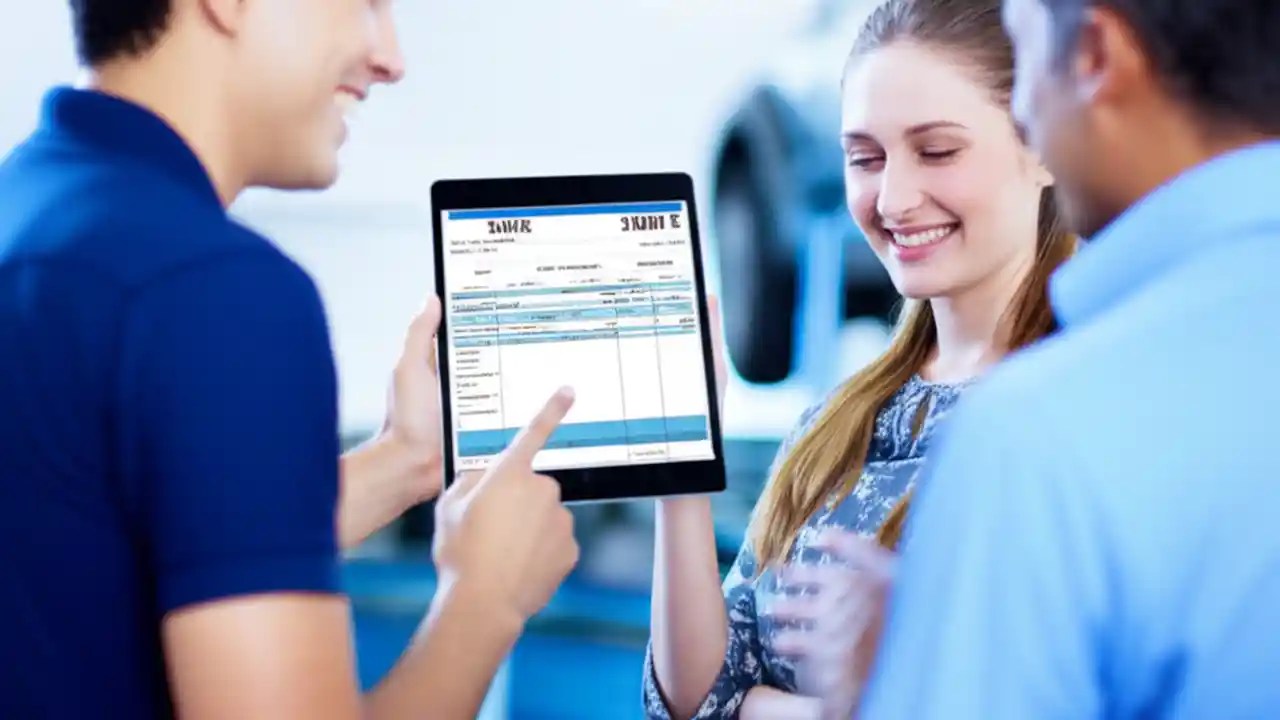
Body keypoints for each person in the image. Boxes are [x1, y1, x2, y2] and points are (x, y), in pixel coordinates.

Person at [0, 1, 580, 718]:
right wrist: (487, 598)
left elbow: (107, 552)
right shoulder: (212, 288)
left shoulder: (29, 206)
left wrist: (405, 460)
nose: (390, 58)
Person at [642, 0, 1077, 716]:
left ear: (1040, 143)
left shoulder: (1074, 414)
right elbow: (698, 699)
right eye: (865, 159)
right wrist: (681, 468)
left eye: (937, 151)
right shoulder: (840, 423)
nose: (895, 198)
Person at [852, 0, 1280, 717]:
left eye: (1022, 60)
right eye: (865, 156)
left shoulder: (1039, 435)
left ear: (1093, 56)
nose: (1025, 114)